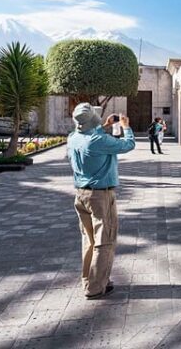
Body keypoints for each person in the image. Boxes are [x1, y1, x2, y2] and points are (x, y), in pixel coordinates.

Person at [67, 103, 135, 299]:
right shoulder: (98, 140)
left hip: (81, 195)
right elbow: (128, 145)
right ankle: (96, 287)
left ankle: (88, 280)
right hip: (100, 196)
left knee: (88, 240)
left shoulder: (73, 138)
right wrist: (126, 127)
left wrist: (104, 125)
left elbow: (91, 137)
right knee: (104, 240)